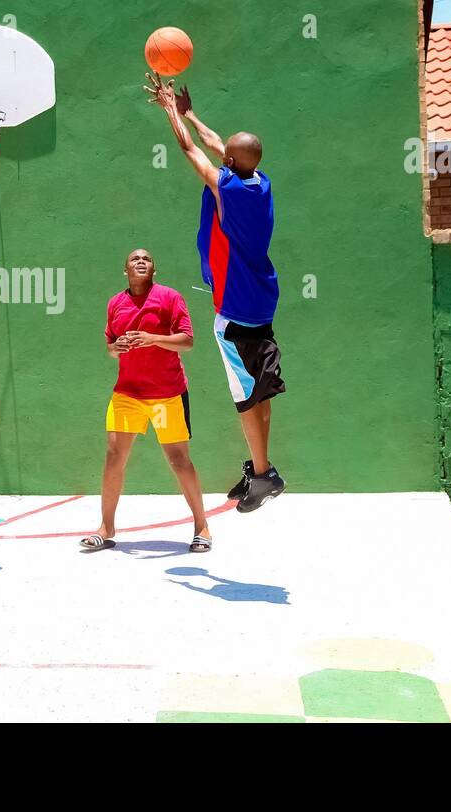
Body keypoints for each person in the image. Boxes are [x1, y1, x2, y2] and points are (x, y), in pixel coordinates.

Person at [145, 73, 285, 512]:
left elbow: (192, 149)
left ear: (230, 161)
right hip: (261, 302)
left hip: (236, 312)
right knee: (260, 391)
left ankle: (262, 476)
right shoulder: (258, 182)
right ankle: (261, 468)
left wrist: (170, 111)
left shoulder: (225, 188)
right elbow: (217, 143)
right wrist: (192, 113)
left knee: (246, 397)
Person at [81, 248, 212, 553]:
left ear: (154, 269)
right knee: (114, 456)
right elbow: (110, 347)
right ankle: (106, 527)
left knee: (179, 461)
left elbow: (188, 341)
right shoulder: (115, 303)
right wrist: (119, 346)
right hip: (128, 394)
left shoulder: (170, 297)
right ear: (125, 270)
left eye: (147, 259)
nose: (141, 261)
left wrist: (153, 338)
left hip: (168, 394)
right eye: (134, 259)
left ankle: (202, 526)